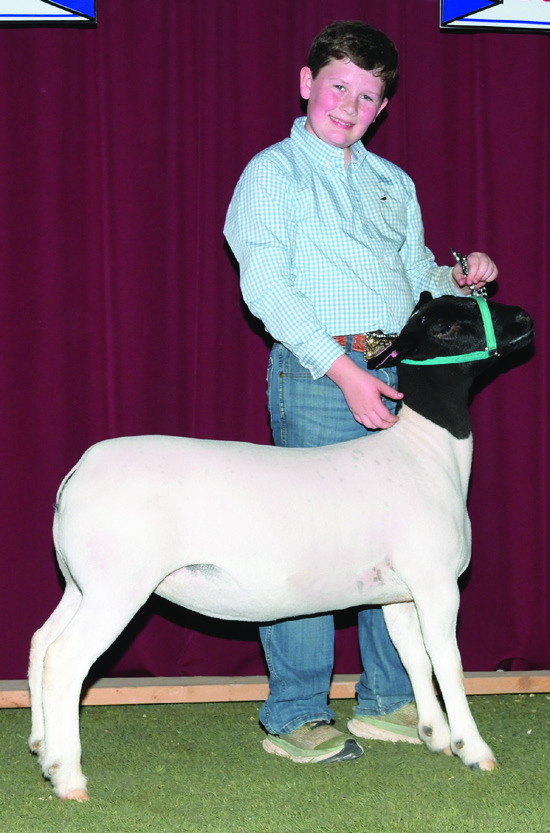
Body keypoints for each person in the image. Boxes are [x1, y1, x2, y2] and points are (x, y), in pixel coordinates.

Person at [224, 20, 497, 764]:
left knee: (398, 543)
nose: (349, 106)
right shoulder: (273, 173)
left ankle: (385, 701)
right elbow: (266, 288)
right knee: (308, 541)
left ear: (382, 107)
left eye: (367, 96)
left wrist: (458, 276)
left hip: (398, 373)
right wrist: (344, 374)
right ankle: (297, 711)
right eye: (338, 86)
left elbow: (417, 282)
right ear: (307, 83)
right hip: (319, 370)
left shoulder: (392, 183)